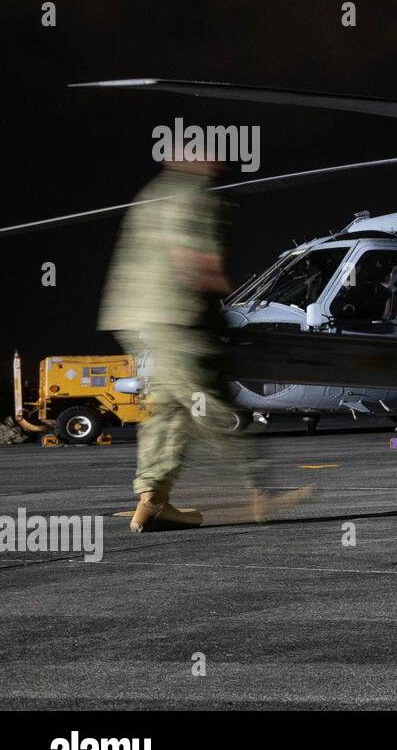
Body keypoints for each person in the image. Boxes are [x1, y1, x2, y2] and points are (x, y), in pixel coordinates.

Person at [100, 155, 309, 531]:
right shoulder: (197, 192)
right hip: (180, 318)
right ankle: (262, 492)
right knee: (216, 406)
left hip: (140, 319)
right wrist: (227, 310)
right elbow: (196, 261)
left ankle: (152, 502)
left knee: (168, 412)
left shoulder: (156, 190)